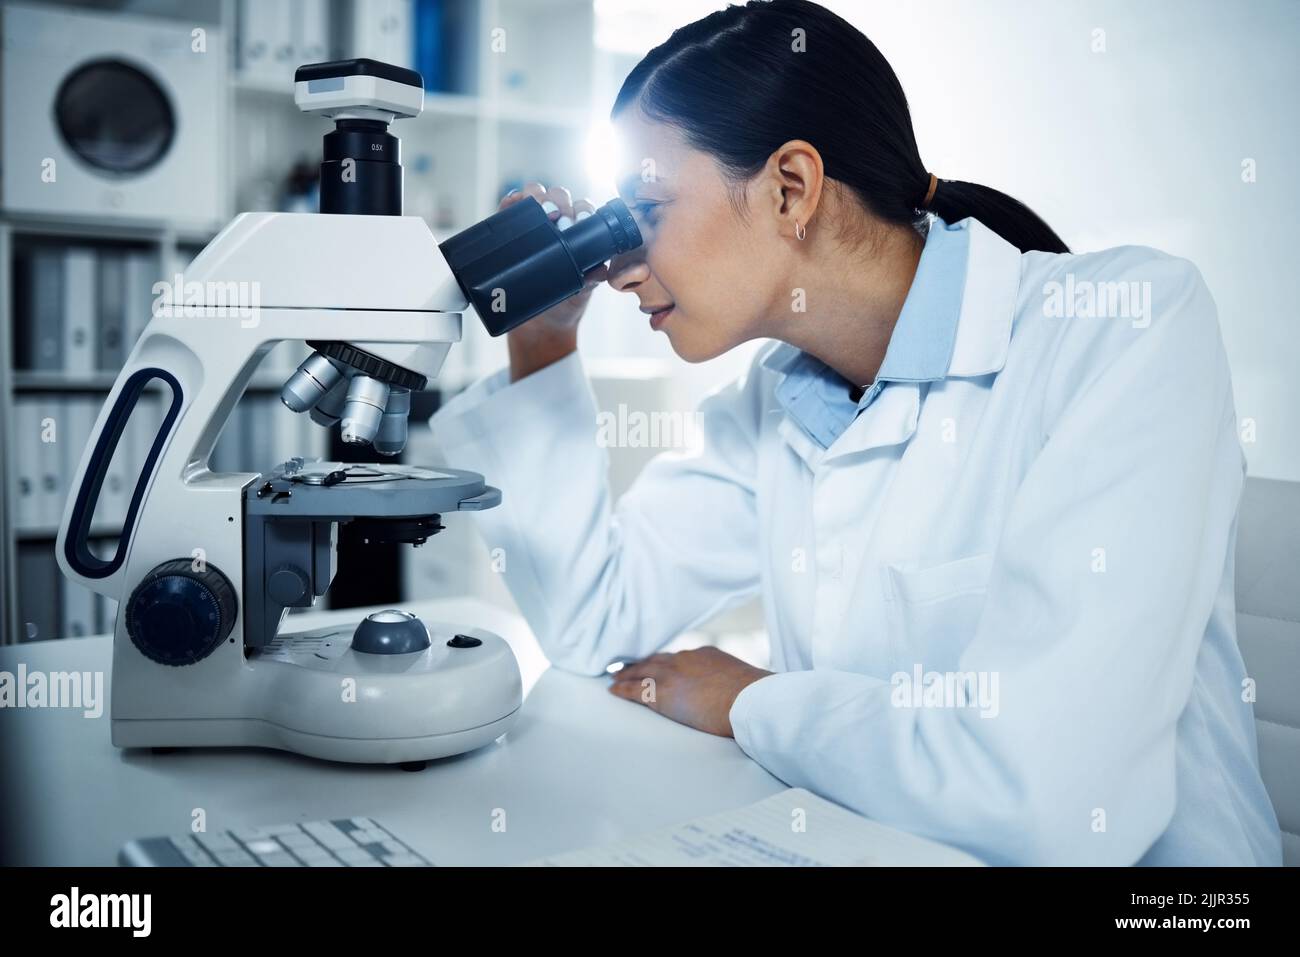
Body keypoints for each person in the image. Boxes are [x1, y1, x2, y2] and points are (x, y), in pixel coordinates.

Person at [429, 0, 1281, 866]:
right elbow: (591, 620)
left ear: (790, 187)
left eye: (646, 210)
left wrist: (755, 701)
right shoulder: (778, 397)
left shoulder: (1123, 329)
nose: (618, 268)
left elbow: (1046, 796)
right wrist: (544, 336)